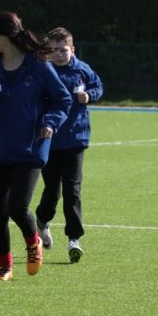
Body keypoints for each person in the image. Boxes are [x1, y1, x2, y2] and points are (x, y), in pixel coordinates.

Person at [0, 11, 72, 282]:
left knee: (17, 207)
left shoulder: (39, 66)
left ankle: (33, 242)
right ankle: (5, 266)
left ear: (6, 35)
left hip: (31, 149)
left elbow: (63, 100)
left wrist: (51, 121)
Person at [34, 27, 104, 263]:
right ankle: (42, 220)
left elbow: (98, 87)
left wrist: (90, 96)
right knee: (52, 191)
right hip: (49, 140)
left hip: (76, 140)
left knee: (72, 191)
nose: (58, 55)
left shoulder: (82, 70)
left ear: (72, 50)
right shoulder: (44, 71)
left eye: (63, 50)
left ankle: (74, 239)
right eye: (53, 50)